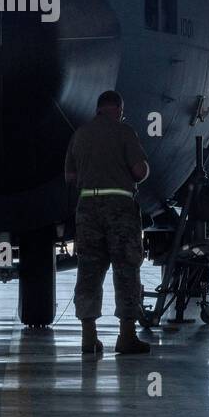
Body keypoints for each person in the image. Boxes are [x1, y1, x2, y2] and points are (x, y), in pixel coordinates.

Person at [64, 89, 152, 356]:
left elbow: (69, 176)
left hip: (87, 207)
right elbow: (138, 171)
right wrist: (144, 170)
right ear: (119, 108)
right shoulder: (124, 132)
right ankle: (126, 337)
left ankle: (88, 338)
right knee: (126, 269)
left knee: (89, 270)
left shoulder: (80, 134)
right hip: (119, 208)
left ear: (99, 108)